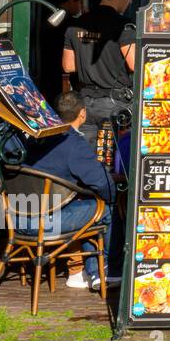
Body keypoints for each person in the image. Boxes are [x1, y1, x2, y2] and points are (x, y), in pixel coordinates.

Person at [17, 91, 120, 291]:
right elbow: (102, 184)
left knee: (88, 206)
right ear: (82, 114)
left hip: (16, 219)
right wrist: (113, 196)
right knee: (106, 209)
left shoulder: (37, 139)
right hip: (46, 223)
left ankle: (86, 272)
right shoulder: (73, 143)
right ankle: (107, 271)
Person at [63, 0, 136, 151]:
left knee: (88, 155)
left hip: (85, 102)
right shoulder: (123, 26)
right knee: (114, 157)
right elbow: (135, 64)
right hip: (115, 103)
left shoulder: (75, 25)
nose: (130, 2)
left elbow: (68, 65)